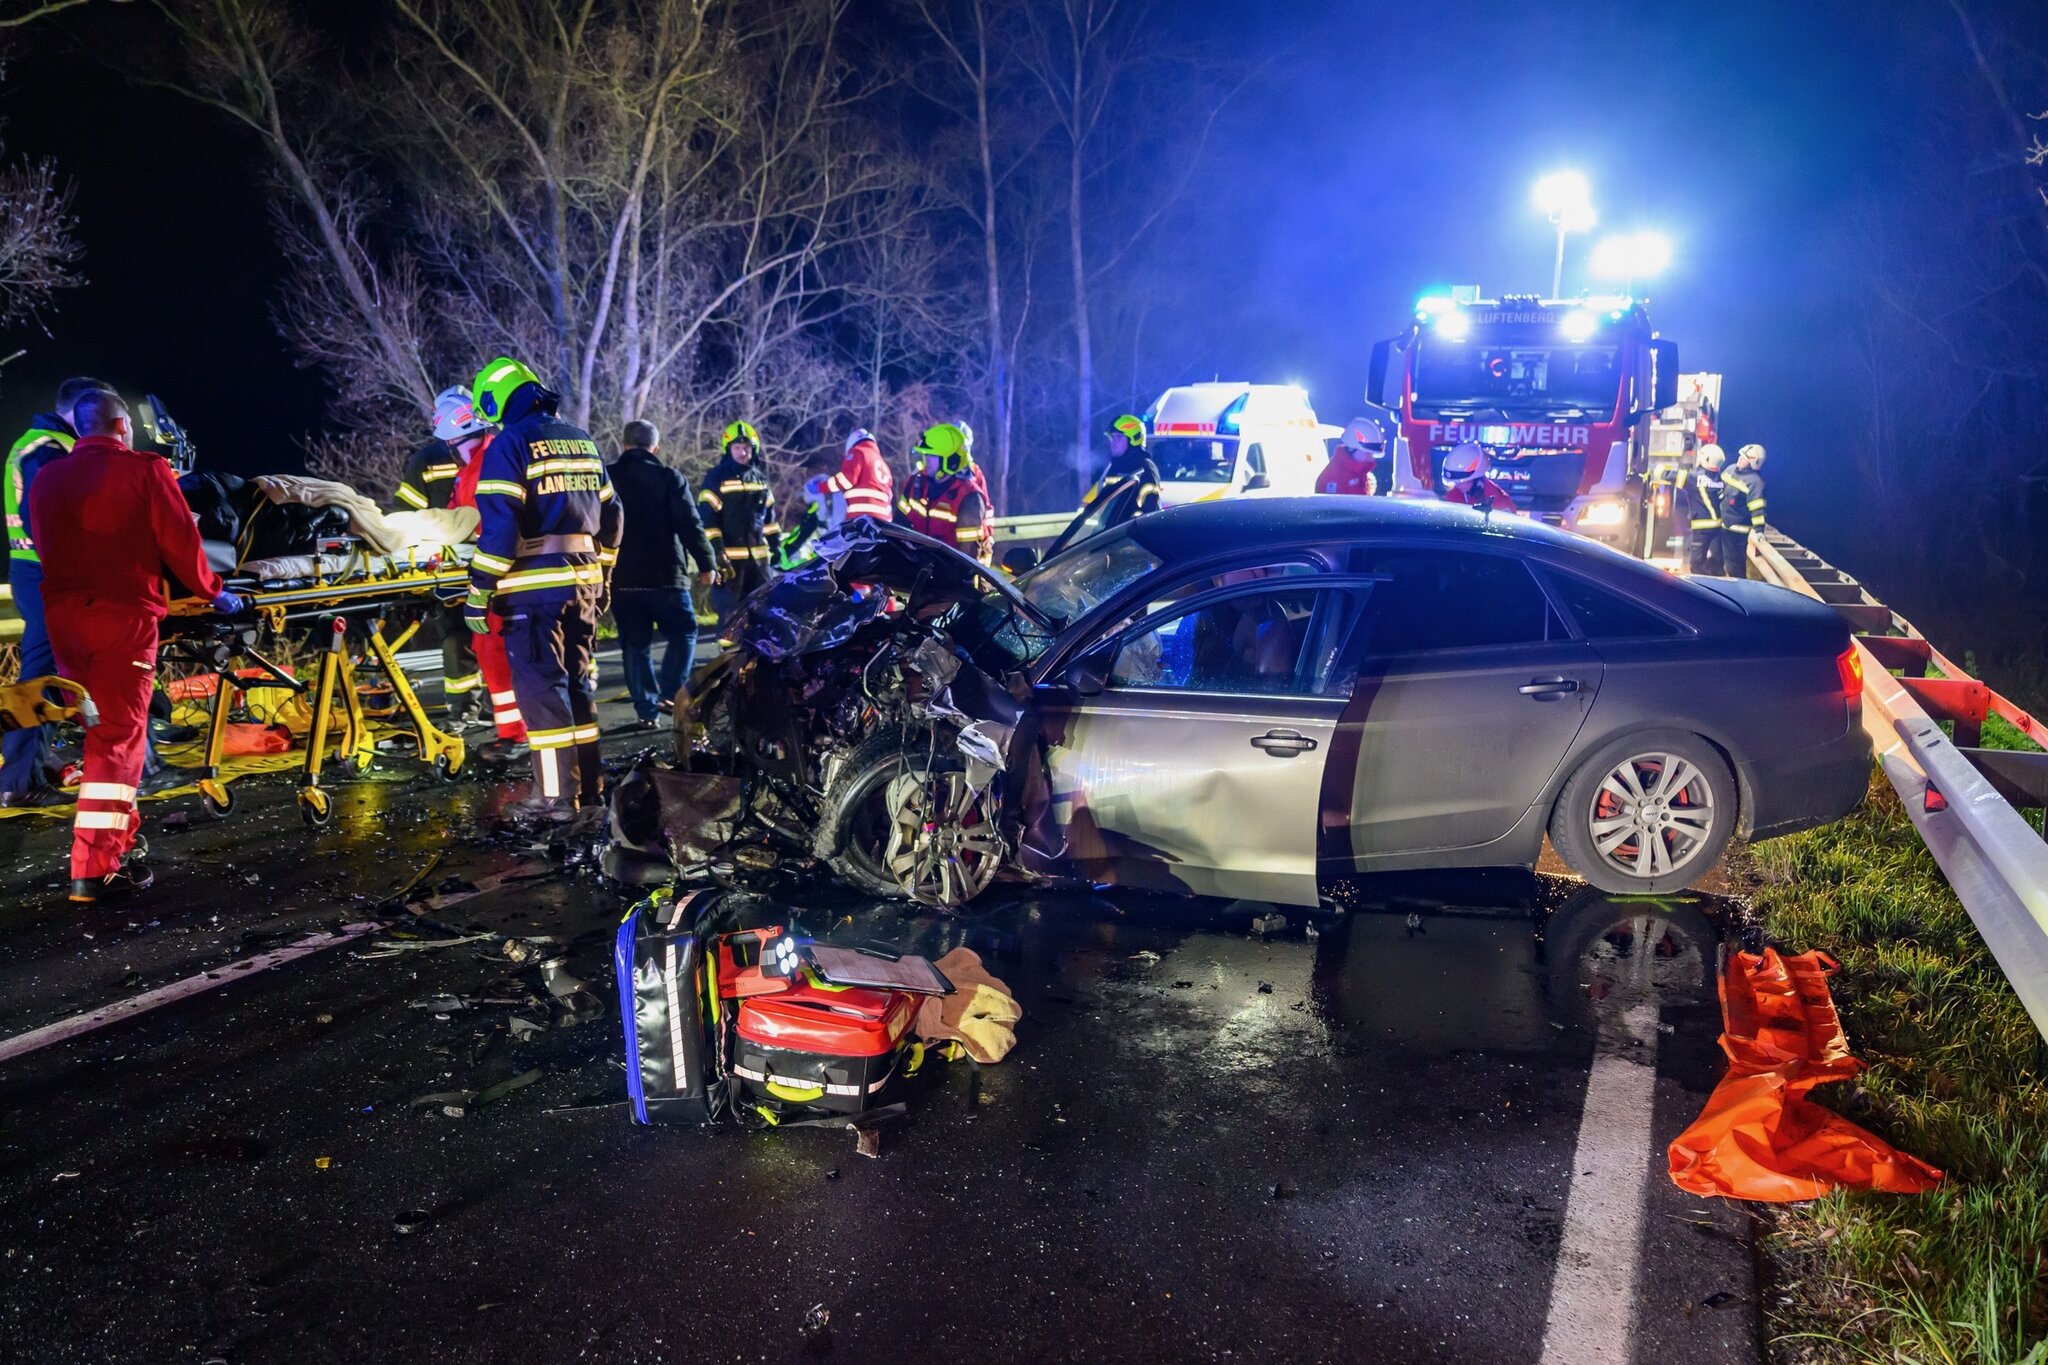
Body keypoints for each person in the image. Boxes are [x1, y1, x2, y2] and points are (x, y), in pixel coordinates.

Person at [30, 388, 243, 902]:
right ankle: (94, 866)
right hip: (121, 618)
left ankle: (117, 843)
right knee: (118, 741)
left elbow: (44, 543)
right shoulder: (145, 470)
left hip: (64, 621)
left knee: (101, 734)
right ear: (122, 426)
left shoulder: (46, 477)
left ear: (81, 428)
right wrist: (216, 594)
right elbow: (181, 545)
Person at [463, 357, 622, 824]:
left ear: (497, 403)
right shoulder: (580, 439)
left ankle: (554, 800)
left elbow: (500, 532)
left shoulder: (509, 444)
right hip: (584, 585)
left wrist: (479, 591)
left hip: (534, 594)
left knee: (542, 694)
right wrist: (605, 574)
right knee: (577, 688)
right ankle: (589, 791)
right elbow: (614, 516)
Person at [2, 377, 113, 808]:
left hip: (35, 573)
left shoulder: (35, 443)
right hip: (48, 576)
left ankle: (23, 775)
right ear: (78, 410)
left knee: (49, 675)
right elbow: (52, 518)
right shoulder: (49, 450)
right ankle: (20, 780)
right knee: (43, 679)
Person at [607, 420, 717, 728]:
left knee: (635, 644)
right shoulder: (670, 478)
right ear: (655, 448)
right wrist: (707, 564)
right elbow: (690, 525)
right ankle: (671, 693)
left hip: (623, 579)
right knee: (684, 632)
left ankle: (646, 711)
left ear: (624, 444)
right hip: (666, 577)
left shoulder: (607, 476)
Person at [395, 388, 494, 725]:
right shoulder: (426, 460)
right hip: (448, 565)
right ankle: (465, 708)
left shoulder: (494, 451)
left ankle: (502, 708)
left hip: (491, 560)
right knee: (456, 637)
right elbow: (406, 512)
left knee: (495, 636)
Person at [697, 420, 780, 618]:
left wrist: (776, 547)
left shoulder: (760, 479)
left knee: (765, 617)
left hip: (759, 566)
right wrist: (717, 552)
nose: (743, 452)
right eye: (737, 447)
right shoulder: (716, 478)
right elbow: (708, 521)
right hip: (730, 566)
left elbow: (769, 520)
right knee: (731, 620)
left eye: (746, 448)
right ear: (728, 449)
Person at [896, 422, 993, 562]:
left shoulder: (968, 497)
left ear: (950, 460)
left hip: (947, 577)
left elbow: (968, 557)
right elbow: (898, 525)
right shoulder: (916, 483)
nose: (926, 460)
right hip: (914, 572)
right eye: (926, 455)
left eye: (932, 456)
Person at [1079, 415, 1161, 519]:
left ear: (1134, 439)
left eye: (1118, 437)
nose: (1113, 442)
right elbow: (1091, 502)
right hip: (1109, 531)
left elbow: (1149, 508)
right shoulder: (1111, 468)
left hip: (1129, 532)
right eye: (1111, 438)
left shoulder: (1145, 467)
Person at [777, 451, 844, 570]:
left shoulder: (818, 486)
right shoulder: (836, 490)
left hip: (822, 549)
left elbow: (807, 530)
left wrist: (782, 554)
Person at [1676, 443, 1727, 576]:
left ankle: (1702, 590)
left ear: (1707, 459)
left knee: (1696, 563)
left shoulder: (1694, 477)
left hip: (1702, 527)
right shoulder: (1720, 480)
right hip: (1716, 527)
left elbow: (1671, 476)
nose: (1697, 459)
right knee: (1716, 563)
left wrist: (1657, 470)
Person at [1719, 443, 1768, 578]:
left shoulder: (1755, 482)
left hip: (1738, 532)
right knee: (1724, 562)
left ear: (1754, 463)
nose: (1740, 459)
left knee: (1735, 566)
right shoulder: (1730, 470)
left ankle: (1738, 591)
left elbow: (1757, 508)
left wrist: (1759, 530)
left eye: (1745, 458)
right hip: (1724, 526)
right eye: (1740, 456)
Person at [1441, 442, 1516, 512]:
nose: (1457, 484)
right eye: (1455, 481)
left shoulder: (1501, 503)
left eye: (1462, 481)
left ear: (1476, 478)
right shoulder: (1452, 497)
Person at [1316, 418, 1382, 496]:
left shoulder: (1361, 474)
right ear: (1351, 448)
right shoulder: (1331, 479)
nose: (1370, 458)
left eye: (1372, 454)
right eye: (1367, 453)